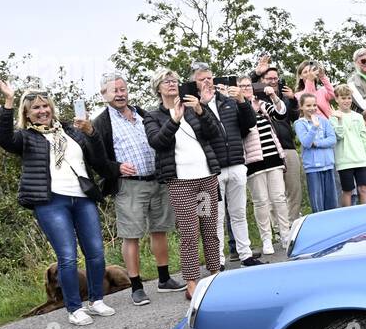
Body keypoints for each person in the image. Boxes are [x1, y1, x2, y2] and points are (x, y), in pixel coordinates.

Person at [0, 76, 116, 324]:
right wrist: (8, 101)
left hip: (82, 197)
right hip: (51, 202)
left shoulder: (72, 130)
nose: (42, 111)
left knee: (95, 251)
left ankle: (96, 300)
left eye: (45, 106)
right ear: (27, 114)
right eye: (36, 108)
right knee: (68, 256)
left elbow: (98, 160)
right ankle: (74, 308)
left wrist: (92, 133)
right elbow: (4, 139)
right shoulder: (25, 137)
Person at [93, 71, 183, 304]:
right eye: (115, 91)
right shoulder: (101, 123)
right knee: (131, 235)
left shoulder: (142, 114)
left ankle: (164, 278)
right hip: (129, 186)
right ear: (104, 95)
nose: (120, 94)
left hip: (157, 178)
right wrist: (116, 168)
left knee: (160, 229)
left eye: (123, 90)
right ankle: (136, 286)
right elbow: (95, 160)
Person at [142, 69, 223, 301]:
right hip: (180, 183)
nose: (172, 84)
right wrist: (174, 119)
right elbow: (157, 142)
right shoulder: (153, 116)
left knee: (209, 229)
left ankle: (215, 274)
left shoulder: (193, 108)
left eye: (175, 81)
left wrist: (200, 109)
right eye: (166, 81)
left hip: (205, 178)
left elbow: (214, 133)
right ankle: (192, 281)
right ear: (158, 87)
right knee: (188, 233)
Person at [192, 64, 258, 268]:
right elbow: (199, 134)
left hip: (237, 162)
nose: (207, 82)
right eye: (202, 79)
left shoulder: (228, 100)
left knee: (238, 213)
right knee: (216, 216)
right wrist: (201, 106)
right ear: (194, 83)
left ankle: (245, 254)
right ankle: (217, 260)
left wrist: (242, 101)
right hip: (213, 168)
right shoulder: (191, 107)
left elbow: (249, 123)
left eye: (209, 78)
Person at [238, 73, 294, 257]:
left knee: (279, 197)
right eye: (243, 86)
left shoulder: (260, 103)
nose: (246, 88)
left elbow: (281, 113)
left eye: (248, 85)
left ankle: (285, 235)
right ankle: (266, 239)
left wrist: (273, 96)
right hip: (254, 162)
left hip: (273, 158)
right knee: (261, 201)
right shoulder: (236, 107)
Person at [250, 56, 305, 224]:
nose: (273, 81)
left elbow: (296, 117)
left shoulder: (285, 95)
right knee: (275, 192)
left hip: (288, 147)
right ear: (262, 80)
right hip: (270, 149)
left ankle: (293, 223)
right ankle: (278, 227)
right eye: (269, 78)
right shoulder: (257, 96)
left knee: (294, 190)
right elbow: (242, 87)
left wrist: (294, 99)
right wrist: (255, 73)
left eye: (275, 78)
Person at [294, 93, 338, 212]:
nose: (312, 108)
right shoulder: (299, 123)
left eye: (314, 105)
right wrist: (314, 127)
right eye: (308, 105)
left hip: (328, 165)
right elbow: (306, 143)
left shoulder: (324, 121)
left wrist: (317, 143)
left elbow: (332, 140)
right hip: (313, 168)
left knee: (332, 202)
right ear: (301, 107)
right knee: (317, 203)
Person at [330, 84, 366, 207]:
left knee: (364, 189)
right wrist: (339, 120)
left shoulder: (358, 117)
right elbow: (339, 136)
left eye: (348, 97)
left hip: (360, 159)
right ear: (337, 99)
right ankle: (347, 218)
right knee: (347, 191)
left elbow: (364, 138)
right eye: (343, 98)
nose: (347, 101)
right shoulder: (333, 117)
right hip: (344, 161)